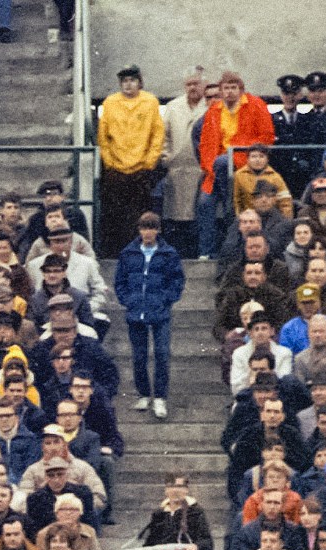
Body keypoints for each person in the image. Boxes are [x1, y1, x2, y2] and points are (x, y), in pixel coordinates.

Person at [114, 215, 185, 424]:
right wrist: (128, 300)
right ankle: (144, 394)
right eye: (144, 228)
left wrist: (166, 299)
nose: (147, 232)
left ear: (158, 230)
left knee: (162, 353)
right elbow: (120, 281)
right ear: (139, 230)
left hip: (159, 312)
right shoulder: (128, 253)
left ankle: (160, 397)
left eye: (152, 228)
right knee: (139, 355)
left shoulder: (168, 254)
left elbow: (177, 280)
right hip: (136, 311)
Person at [98, 75, 169, 259]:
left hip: (141, 169)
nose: (128, 84)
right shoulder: (110, 102)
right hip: (116, 169)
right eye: (124, 81)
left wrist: (149, 162)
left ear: (140, 83)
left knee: (139, 214)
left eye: (132, 80)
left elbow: (157, 134)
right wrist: (109, 163)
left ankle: (139, 252)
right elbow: (103, 137)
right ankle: (115, 254)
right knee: (115, 214)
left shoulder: (150, 102)